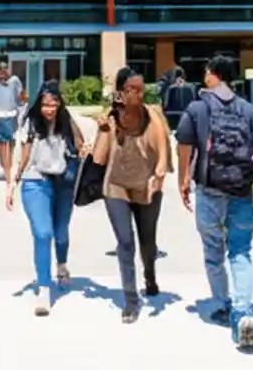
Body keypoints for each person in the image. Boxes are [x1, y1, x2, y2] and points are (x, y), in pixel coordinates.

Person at [176, 55, 253, 350]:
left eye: (207, 72)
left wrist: (183, 179)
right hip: (241, 191)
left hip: (209, 191)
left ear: (213, 75)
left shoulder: (197, 108)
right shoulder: (248, 109)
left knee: (213, 251)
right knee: (241, 252)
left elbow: (184, 144)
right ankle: (243, 310)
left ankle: (223, 304)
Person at [91, 67, 170, 324]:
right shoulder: (111, 112)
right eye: (132, 89)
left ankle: (150, 276)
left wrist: (160, 171)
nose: (139, 93)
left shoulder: (152, 113)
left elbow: (161, 139)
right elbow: (98, 157)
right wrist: (104, 130)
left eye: (141, 88)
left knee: (147, 242)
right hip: (116, 186)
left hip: (146, 185)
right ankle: (130, 300)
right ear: (122, 92)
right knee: (125, 242)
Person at [6, 81, 87, 317]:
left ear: (60, 104)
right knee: (43, 233)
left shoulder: (67, 123)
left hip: (63, 181)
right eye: (45, 105)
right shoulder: (30, 122)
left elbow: (81, 146)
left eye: (53, 104)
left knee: (60, 232)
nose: (49, 109)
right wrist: (12, 183)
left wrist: (84, 149)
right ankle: (44, 288)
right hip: (35, 180)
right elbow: (23, 155)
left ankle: (61, 264)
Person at [0, 61, 25, 182]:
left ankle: (8, 165)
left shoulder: (14, 80)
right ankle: (4, 165)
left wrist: (22, 108)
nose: (2, 74)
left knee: (10, 141)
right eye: (0, 71)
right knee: (0, 142)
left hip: (11, 114)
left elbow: (20, 96)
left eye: (5, 70)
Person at [161, 65, 195, 133]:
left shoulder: (170, 88)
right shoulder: (191, 87)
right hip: (187, 114)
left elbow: (166, 103)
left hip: (173, 115)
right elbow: (194, 99)